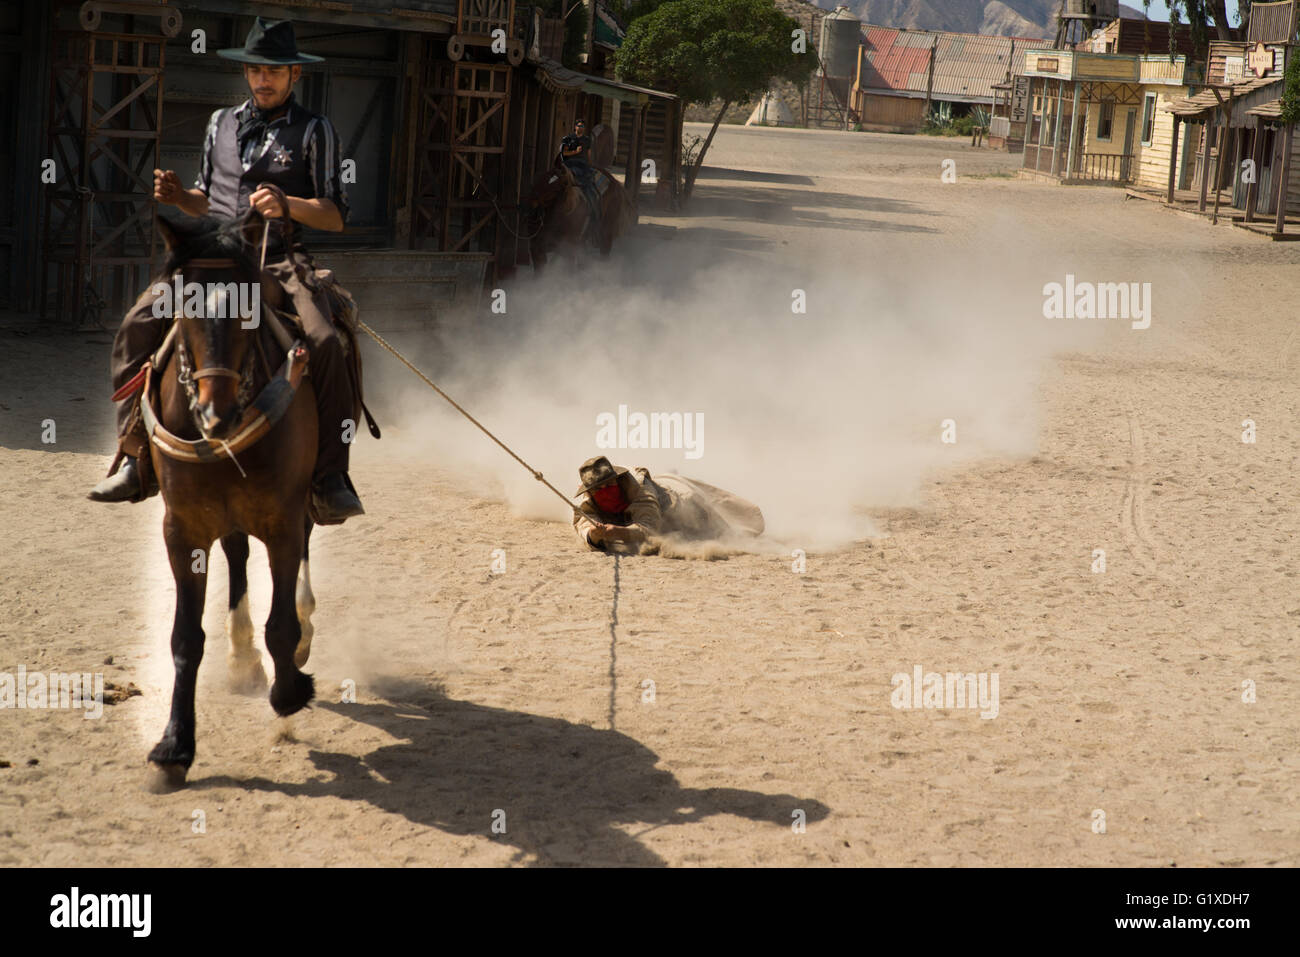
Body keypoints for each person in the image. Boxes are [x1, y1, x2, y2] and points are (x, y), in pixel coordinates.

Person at [88, 17, 364, 524]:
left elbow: (336, 214)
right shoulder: (221, 124)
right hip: (212, 257)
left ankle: (330, 475)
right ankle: (134, 455)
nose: (265, 80)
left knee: (325, 341)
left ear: (294, 76)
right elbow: (206, 201)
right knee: (135, 325)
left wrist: (288, 204)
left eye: (276, 71)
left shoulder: (315, 130)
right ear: (246, 73)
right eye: (257, 70)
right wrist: (180, 198)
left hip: (278, 260)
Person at [572, 456, 765, 556]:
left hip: (682, 506)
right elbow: (583, 523)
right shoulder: (587, 500)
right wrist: (593, 535)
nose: (606, 490)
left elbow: (649, 528)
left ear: (618, 481)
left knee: (728, 531)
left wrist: (620, 532)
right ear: (589, 491)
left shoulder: (638, 489)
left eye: (609, 485)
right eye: (600, 488)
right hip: (661, 494)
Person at [559, 118, 601, 243]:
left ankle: (594, 214)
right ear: (575, 127)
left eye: (582, 126)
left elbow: (588, 155)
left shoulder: (587, 140)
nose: (580, 127)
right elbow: (564, 153)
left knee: (590, 188)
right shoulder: (568, 138)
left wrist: (590, 165)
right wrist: (574, 152)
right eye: (578, 125)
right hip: (570, 165)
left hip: (583, 166)